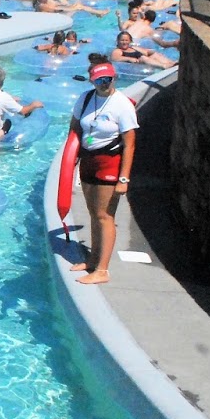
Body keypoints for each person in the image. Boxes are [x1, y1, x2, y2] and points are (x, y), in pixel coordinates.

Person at [68, 61, 137, 285]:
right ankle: (93, 260)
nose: (104, 83)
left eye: (108, 79)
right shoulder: (86, 98)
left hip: (110, 163)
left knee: (105, 216)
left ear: (114, 78)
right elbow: (75, 127)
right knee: (93, 213)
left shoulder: (122, 104)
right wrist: (71, 158)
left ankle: (102, 270)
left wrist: (123, 179)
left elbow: (130, 144)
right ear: (92, 81)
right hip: (89, 160)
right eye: (99, 80)